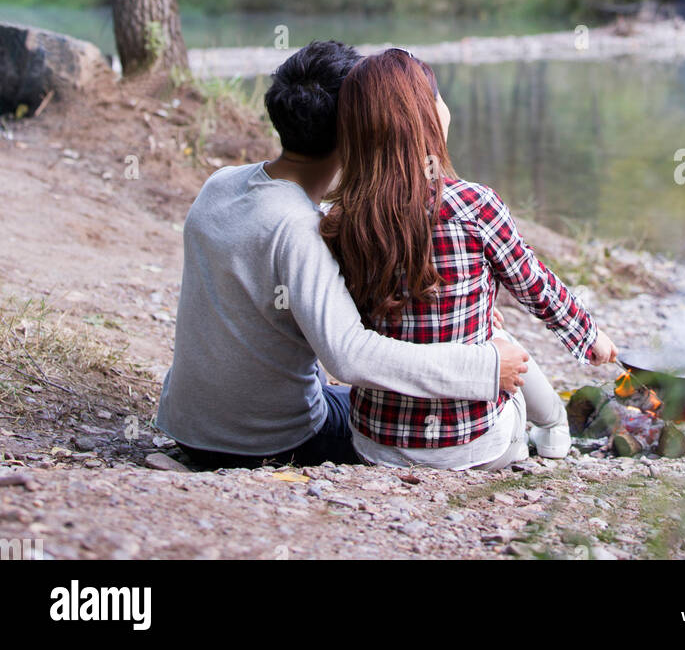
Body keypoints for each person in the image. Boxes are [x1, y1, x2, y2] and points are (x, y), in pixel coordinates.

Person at [157, 41, 529, 469]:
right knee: (386, 416)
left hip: (189, 424)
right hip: (267, 440)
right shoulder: (302, 230)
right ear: (358, 130)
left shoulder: (219, 184)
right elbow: (350, 355)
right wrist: (484, 367)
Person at [320, 48, 619, 470]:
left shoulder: (342, 220)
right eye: (439, 100)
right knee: (500, 342)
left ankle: (550, 427)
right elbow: (535, 286)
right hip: (477, 445)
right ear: (427, 117)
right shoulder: (474, 205)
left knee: (489, 327)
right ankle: (553, 432)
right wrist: (590, 337)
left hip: (376, 446)